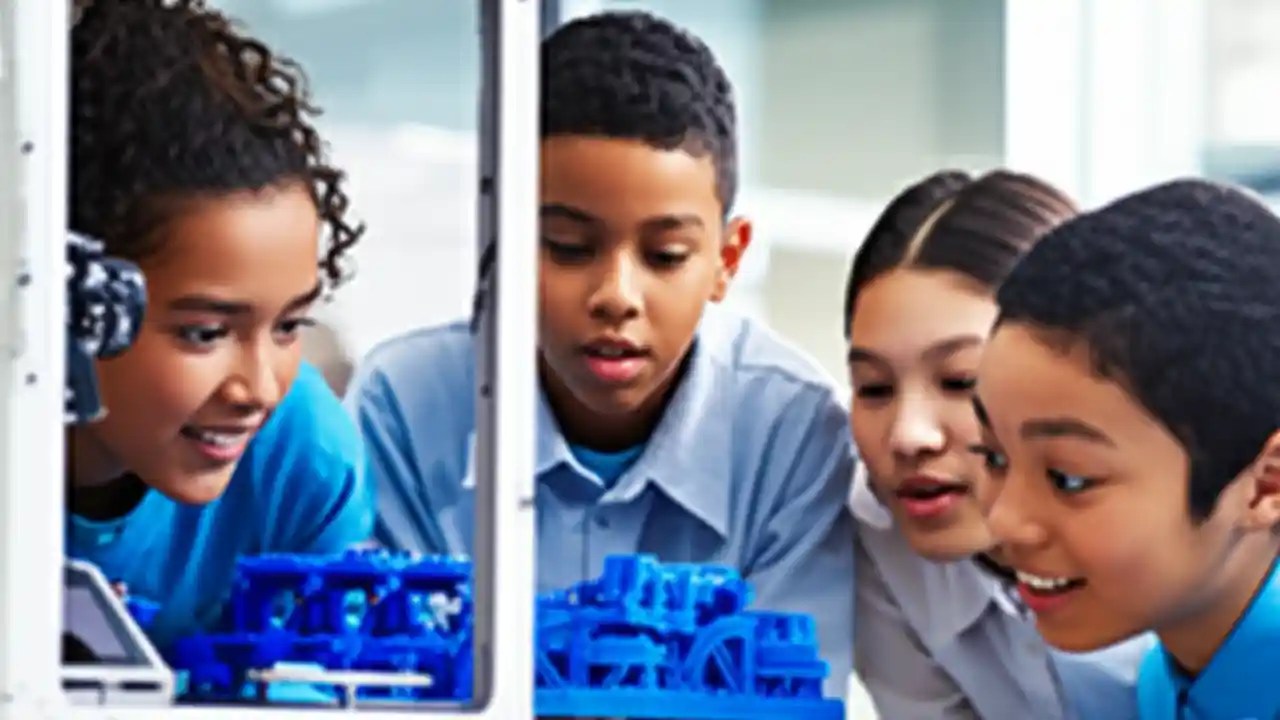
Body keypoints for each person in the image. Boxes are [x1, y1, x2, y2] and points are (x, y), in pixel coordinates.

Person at [346, 10, 856, 695]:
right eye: (567, 246)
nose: (617, 296)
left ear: (726, 259)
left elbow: (791, 701)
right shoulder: (401, 408)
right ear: (501, 234)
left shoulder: (794, 432)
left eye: (665, 256)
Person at [66, 0, 372, 650]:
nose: (260, 388)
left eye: (290, 325)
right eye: (204, 333)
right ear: (71, 302)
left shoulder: (303, 459)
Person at [845, 169, 1152, 719]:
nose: (908, 435)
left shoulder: (1183, 540)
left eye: (961, 381)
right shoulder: (885, 537)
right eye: (874, 387)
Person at [974, 178, 1280, 719]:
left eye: (1068, 478)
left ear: (1266, 484)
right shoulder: (1164, 680)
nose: (1004, 521)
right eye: (995, 456)